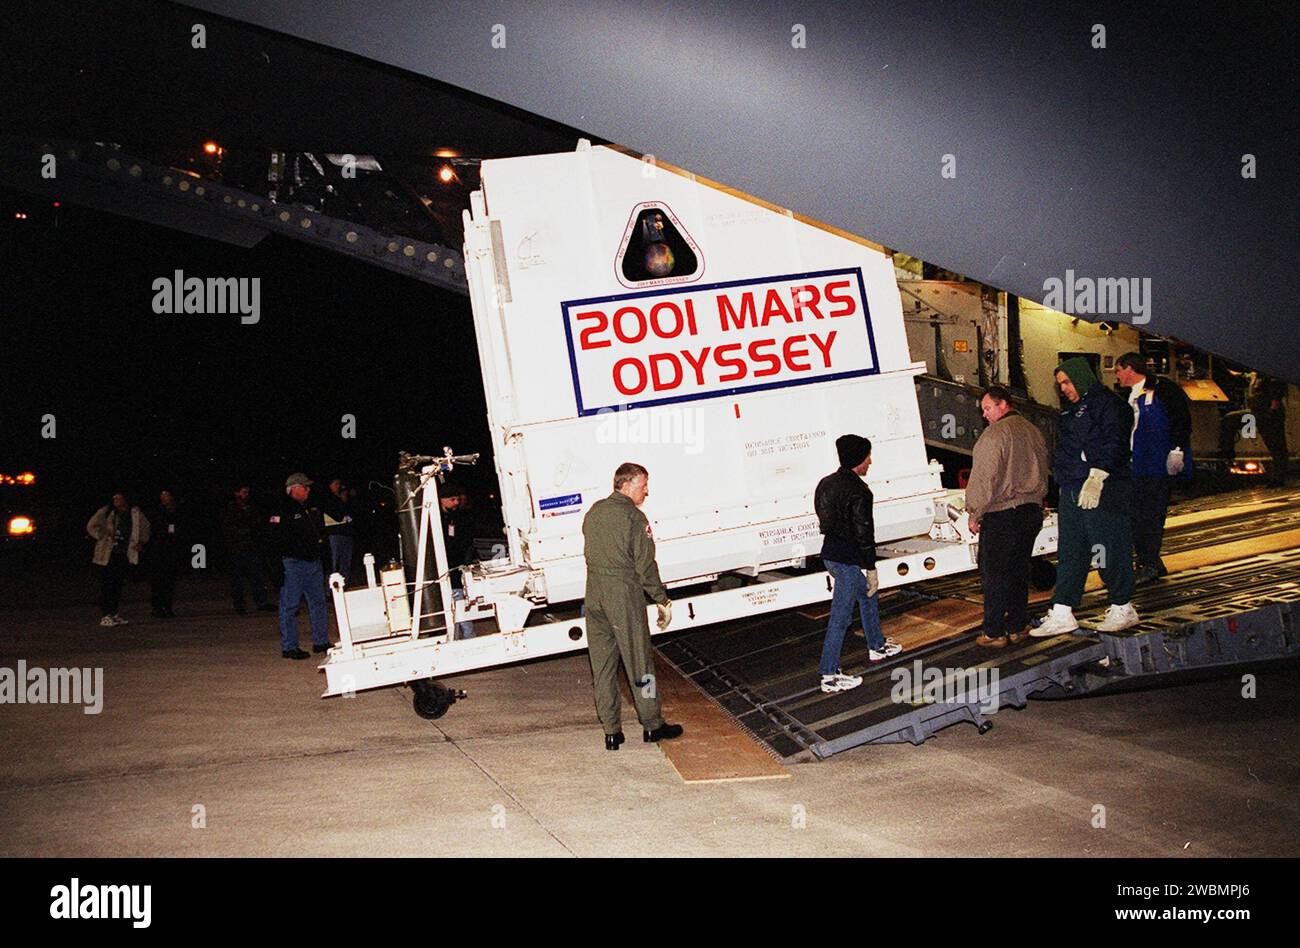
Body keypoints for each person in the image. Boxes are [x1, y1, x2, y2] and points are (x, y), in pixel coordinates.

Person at [1031, 358, 1140, 636]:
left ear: (1080, 377)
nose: (1064, 388)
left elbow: (1114, 442)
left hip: (1102, 488)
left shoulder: (1110, 404)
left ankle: (1122, 606)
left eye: (1067, 382)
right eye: (1060, 384)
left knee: (1108, 547)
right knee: (1072, 551)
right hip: (1072, 488)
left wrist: (1098, 475)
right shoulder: (1072, 410)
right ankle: (1063, 609)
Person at [581, 462, 683, 750]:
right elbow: (645, 566)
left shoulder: (594, 512)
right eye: (643, 486)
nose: (646, 492)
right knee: (640, 663)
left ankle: (611, 731)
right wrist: (661, 598)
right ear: (626, 486)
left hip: (594, 595)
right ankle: (653, 724)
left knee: (601, 667)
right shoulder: (634, 518)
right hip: (622, 595)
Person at [813, 435, 902, 693]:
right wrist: (871, 567)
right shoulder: (861, 491)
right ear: (857, 460)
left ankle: (877, 646)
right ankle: (829, 675)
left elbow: (824, 519)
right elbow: (864, 533)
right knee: (840, 618)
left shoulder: (825, 484)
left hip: (831, 554)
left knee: (868, 595)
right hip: (847, 560)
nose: (870, 461)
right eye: (867, 457)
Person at [965, 386, 1049, 647]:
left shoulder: (995, 435)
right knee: (1018, 570)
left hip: (1003, 514)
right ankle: (1017, 625)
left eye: (988, 409)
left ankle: (993, 632)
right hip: (1031, 510)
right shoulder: (1033, 431)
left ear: (1003, 405)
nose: (985, 415)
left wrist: (974, 512)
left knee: (994, 573)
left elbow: (985, 478)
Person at [1114, 353, 1192, 583]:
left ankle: (1148, 562)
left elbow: (1181, 419)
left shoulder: (1164, 389)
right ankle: (1149, 560)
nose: (1116, 376)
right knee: (1136, 516)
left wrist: (1177, 449)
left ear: (1129, 369)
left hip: (1157, 464)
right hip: (1135, 464)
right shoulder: (1127, 396)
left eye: (1118, 370)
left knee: (1151, 515)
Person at [271, 473, 330, 659]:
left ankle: (320, 642)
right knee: (290, 606)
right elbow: (274, 539)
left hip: (313, 562)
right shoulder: (282, 509)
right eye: (305, 486)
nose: (308, 489)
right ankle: (289, 647)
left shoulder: (309, 508)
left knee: (318, 603)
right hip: (293, 564)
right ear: (294, 488)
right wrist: (278, 567)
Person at [87, 491, 150, 627]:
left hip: (123, 553)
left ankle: (114, 613)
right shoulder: (106, 511)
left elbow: (145, 528)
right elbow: (91, 526)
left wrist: (141, 542)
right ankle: (105, 615)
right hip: (107, 554)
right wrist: (102, 535)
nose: (116, 500)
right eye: (114, 497)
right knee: (107, 585)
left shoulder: (134, 513)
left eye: (119, 497)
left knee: (117, 584)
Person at [221, 484, 274, 613]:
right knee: (237, 579)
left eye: (247, 492)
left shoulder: (252, 507)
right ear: (237, 493)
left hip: (252, 547)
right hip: (236, 548)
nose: (246, 495)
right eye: (244, 492)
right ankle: (239, 604)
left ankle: (262, 602)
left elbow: (259, 524)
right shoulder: (230, 508)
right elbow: (228, 528)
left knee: (257, 576)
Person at [439, 482, 476, 639]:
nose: (456, 502)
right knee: (453, 604)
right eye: (453, 499)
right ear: (442, 499)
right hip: (444, 566)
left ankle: (466, 636)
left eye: (458, 499)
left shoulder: (456, 516)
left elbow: (464, 540)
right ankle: (456, 637)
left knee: (459, 601)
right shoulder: (437, 517)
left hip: (456, 565)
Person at [147, 488, 184, 618]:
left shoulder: (177, 510)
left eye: (167, 495)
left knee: (169, 581)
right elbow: (156, 528)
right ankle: (157, 607)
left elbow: (179, 527)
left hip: (172, 550)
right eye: (162, 495)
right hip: (158, 549)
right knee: (158, 581)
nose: (164, 498)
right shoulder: (157, 511)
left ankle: (167, 607)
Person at [321, 476, 356, 583]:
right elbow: (338, 515)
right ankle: (332, 587)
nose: (338, 486)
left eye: (339, 484)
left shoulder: (342, 498)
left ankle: (345, 583)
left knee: (346, 561)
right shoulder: (327, 499)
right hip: (334, 534)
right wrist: (342, 500)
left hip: (346, 533)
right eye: (335, 484)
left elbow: (352, 514)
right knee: (334, 562)